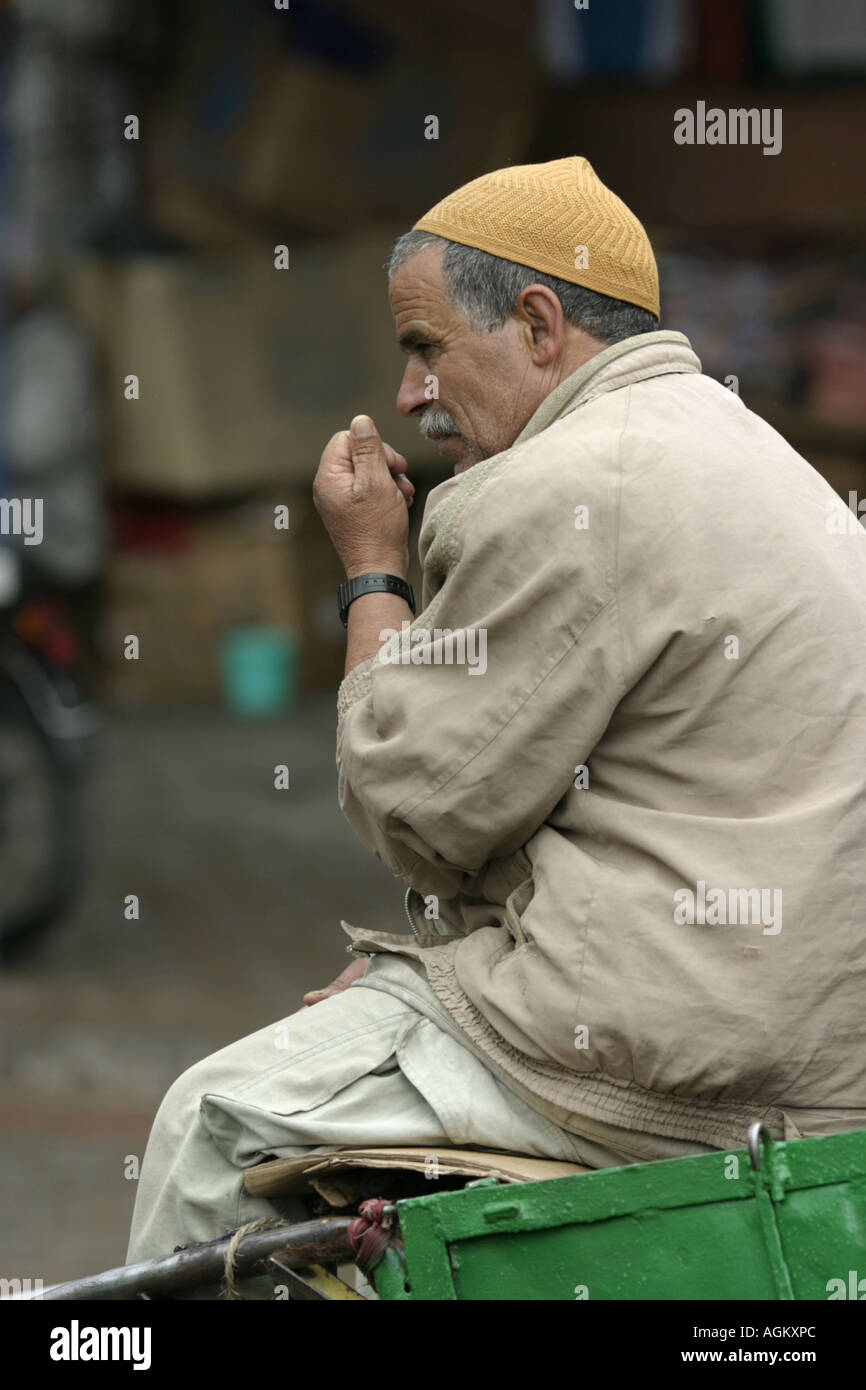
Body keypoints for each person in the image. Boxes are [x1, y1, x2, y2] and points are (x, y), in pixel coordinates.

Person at [127, 157, 866, 1279]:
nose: (412, 392)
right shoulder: (746, 443)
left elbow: (417, 809)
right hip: (799, 1031)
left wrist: (371, 573)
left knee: (211, 1118)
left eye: (425, 348)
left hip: (678, 1053)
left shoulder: (565, 486)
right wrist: (422, 982)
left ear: (534, 324)